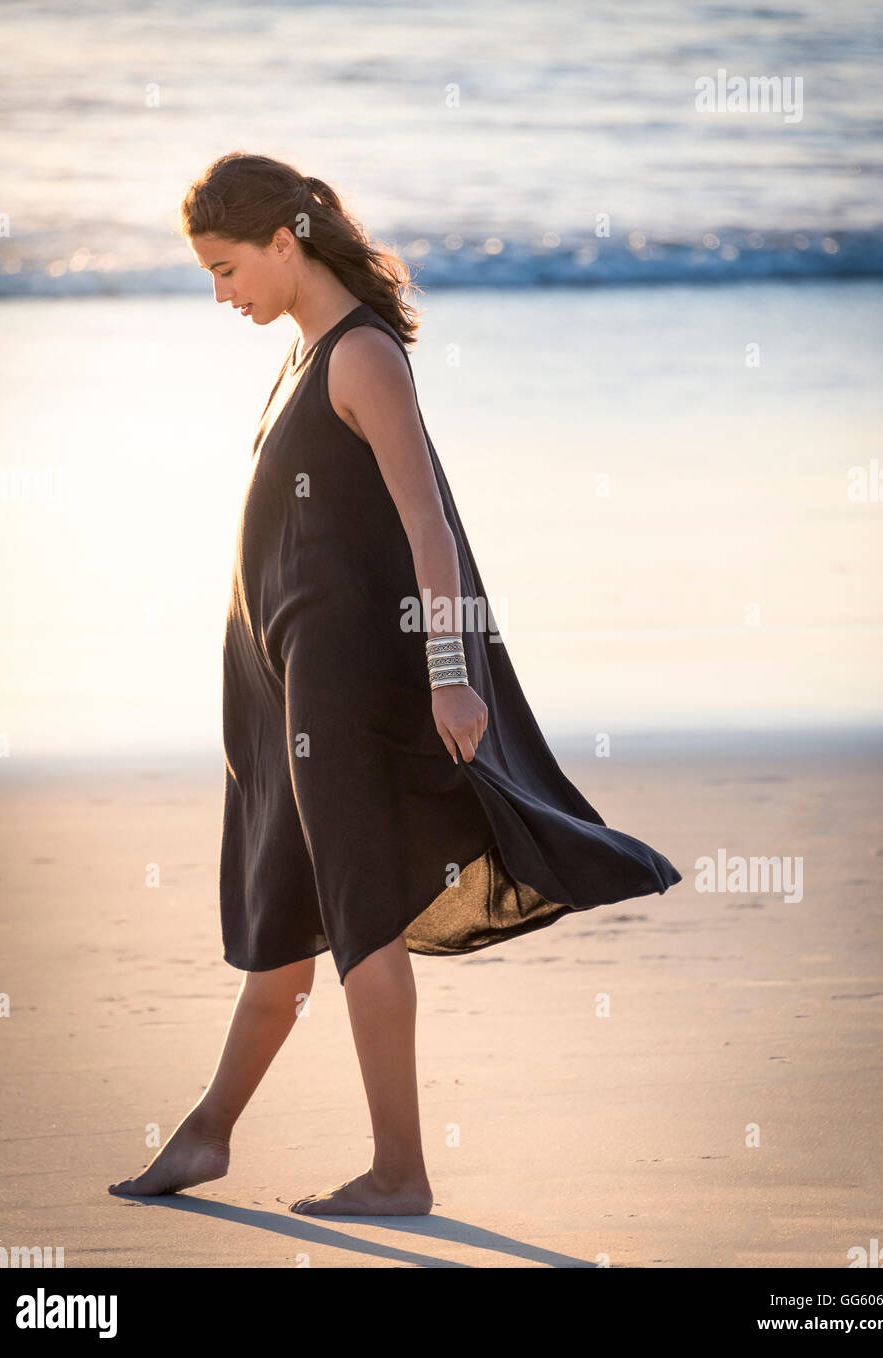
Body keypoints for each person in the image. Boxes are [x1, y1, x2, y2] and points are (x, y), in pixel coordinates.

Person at [109, 152, 681, 1216]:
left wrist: (452, 679)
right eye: (209, 274)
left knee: (359, 912)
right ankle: (206, 1135)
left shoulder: (361, 357)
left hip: (347, 693)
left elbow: (430, 528)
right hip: (288, 692)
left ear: (286, 242)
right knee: (284, 919)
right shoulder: (300, 353)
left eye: (227, 268)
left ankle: (400, 1170)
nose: (220, 293)